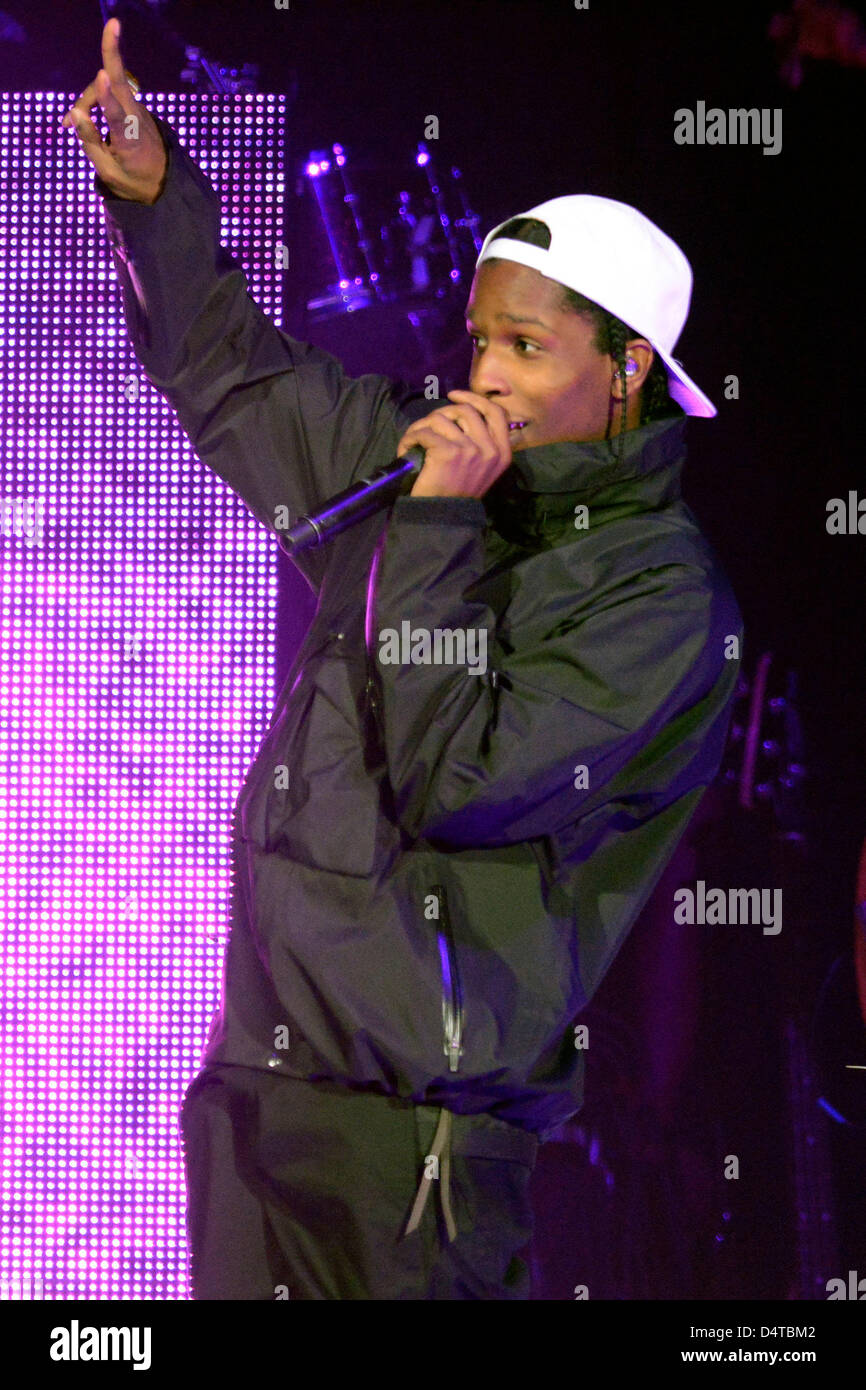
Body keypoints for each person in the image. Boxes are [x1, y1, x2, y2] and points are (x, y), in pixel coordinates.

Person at [64, 19, 744, 1300]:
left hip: (410, 1138)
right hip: (265, 1079)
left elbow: (462, 781)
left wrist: (431, 525)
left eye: (527, 349)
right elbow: (240, 381)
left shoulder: (655, 593)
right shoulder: (428, 466)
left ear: (627, 372)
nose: (482, 373)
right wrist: (153, 195)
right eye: (481, 336)